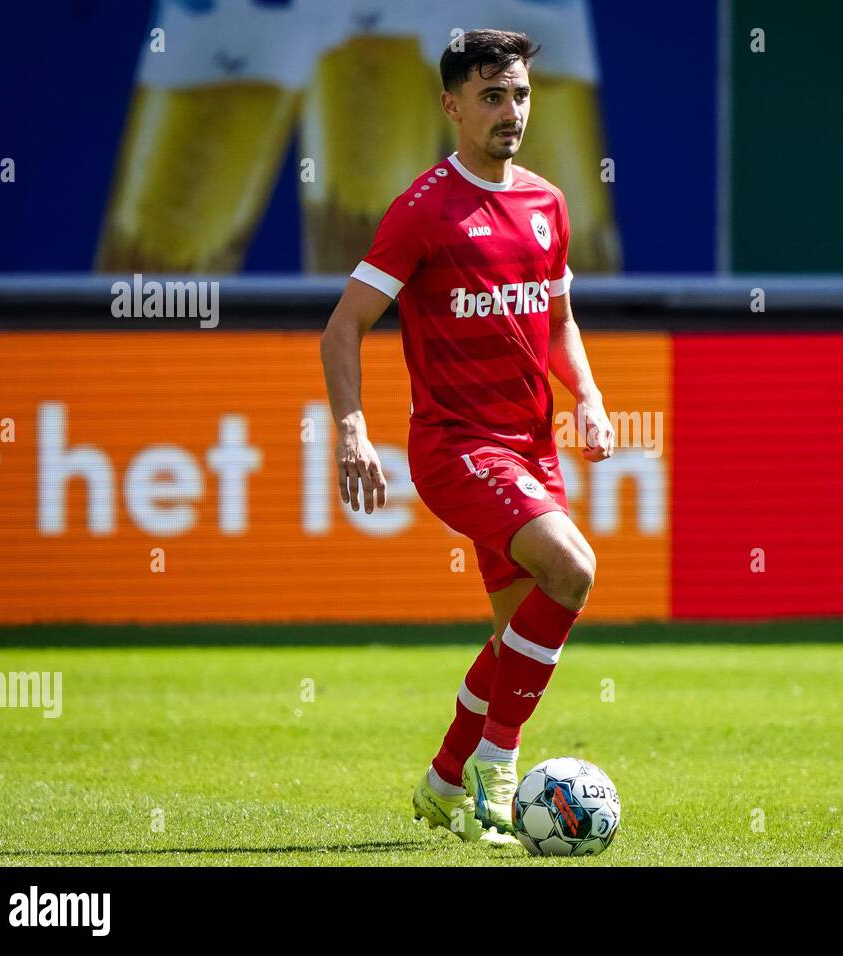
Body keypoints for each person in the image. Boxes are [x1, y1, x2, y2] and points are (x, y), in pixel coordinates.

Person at [319, 29, 615, 846]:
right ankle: (497, 765)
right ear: (452, 107)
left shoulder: (548, 204)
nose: (510, 111)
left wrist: (586, 396)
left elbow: (557, 322)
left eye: (519, 94)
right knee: (574, 567)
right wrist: (351, 433)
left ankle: (446, 783)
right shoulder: (424, 210)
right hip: (456, 445)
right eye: (491, 96)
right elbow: (343, 329)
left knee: (517, 637)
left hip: (532, 447)